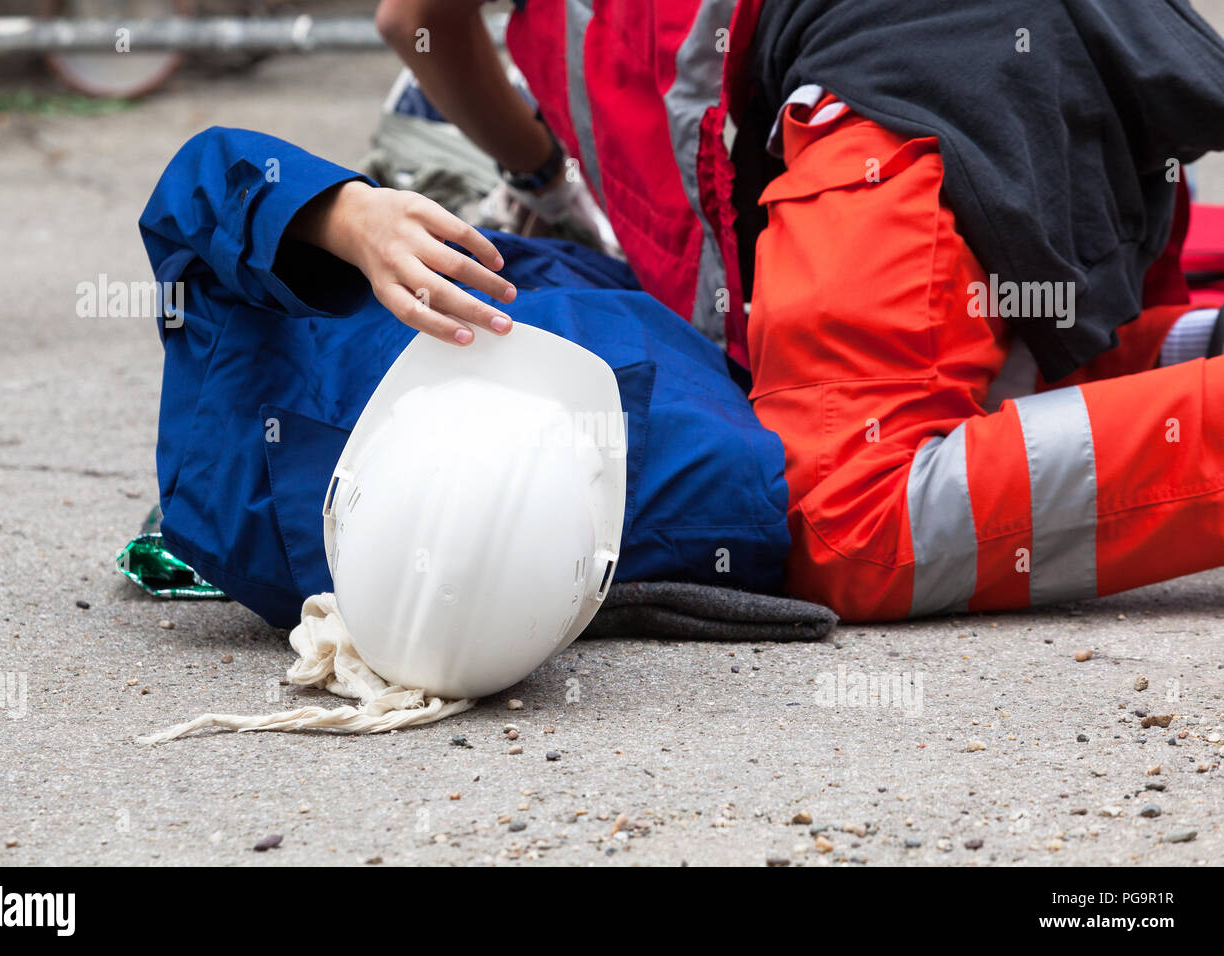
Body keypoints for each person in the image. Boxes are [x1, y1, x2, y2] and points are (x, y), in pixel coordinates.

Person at [377, 0, 1224, 619]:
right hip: (1092, 59)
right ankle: (1198, 349)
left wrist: (544, 180)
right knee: (1003, 381)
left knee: (849, 517)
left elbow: (411, 19)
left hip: (900, 76)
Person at [139, 126, 792, 628]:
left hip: (618, 285)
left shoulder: (228, 485)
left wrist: (345, 215)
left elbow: (200, 184)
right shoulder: (731, 485)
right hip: (709, 317)